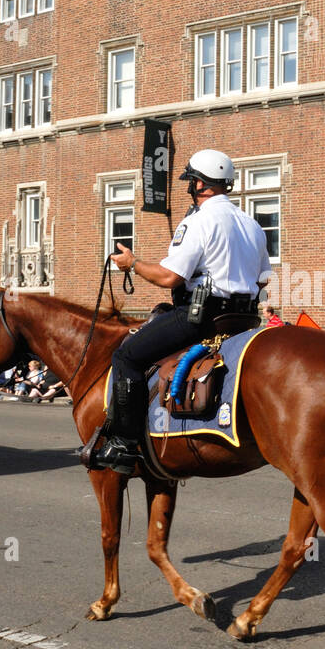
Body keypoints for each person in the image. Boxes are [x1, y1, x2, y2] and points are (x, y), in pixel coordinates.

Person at [94, 148, 270, 474]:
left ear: (200, 184)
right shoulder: (253, 225)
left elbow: (169, 277)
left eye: (191, 181)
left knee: (126, 357)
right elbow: (261, 281)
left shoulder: (198, 221)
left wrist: (131, 262)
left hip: (202, 318)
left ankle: (123, 445)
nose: (190, 186)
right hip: (244, 322)